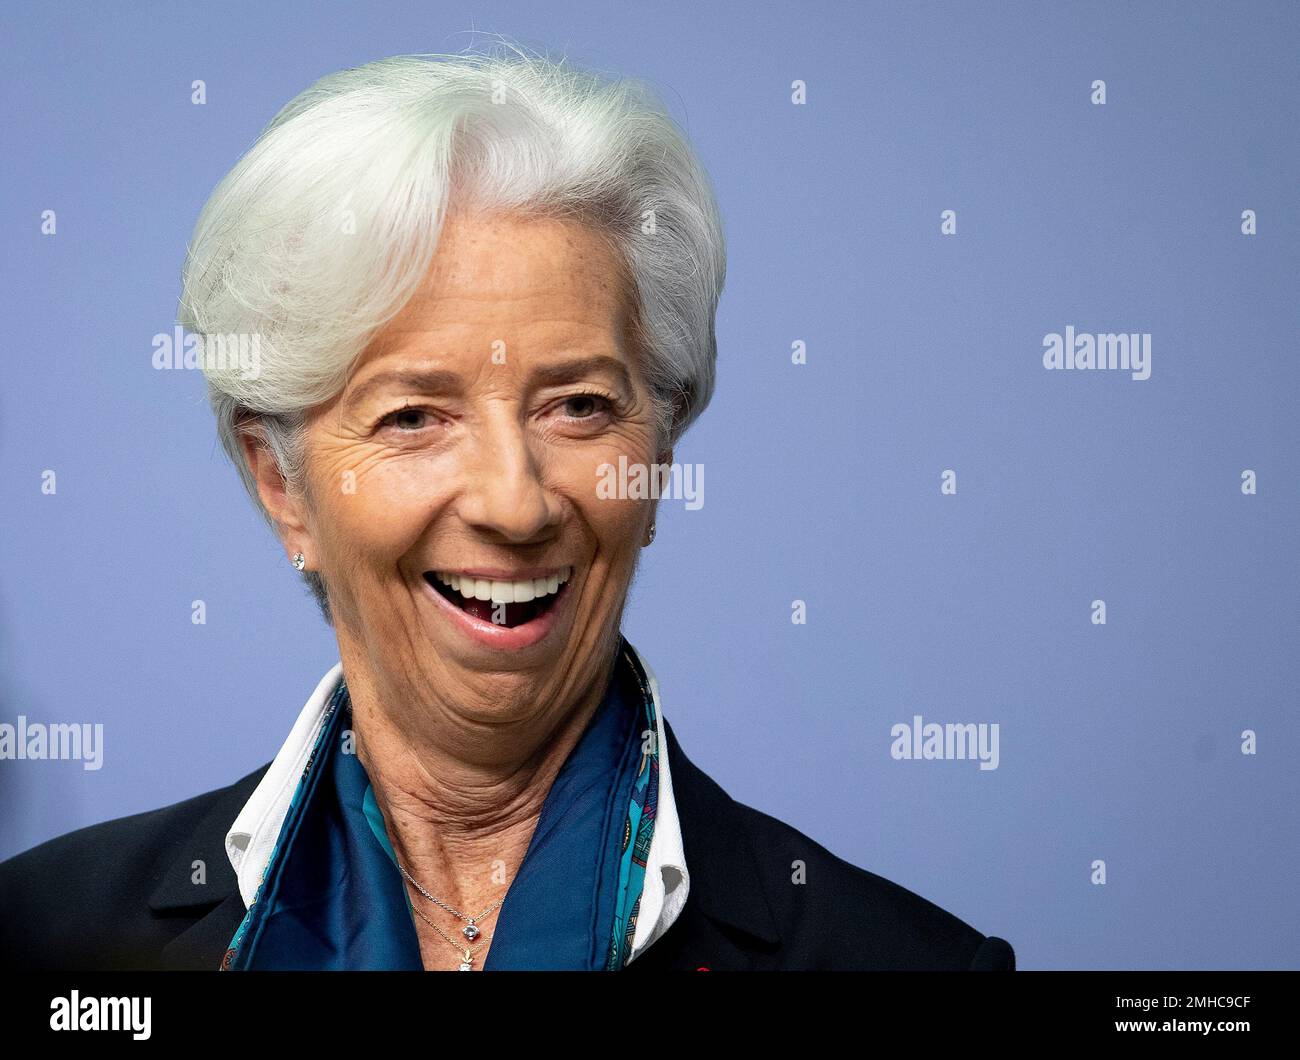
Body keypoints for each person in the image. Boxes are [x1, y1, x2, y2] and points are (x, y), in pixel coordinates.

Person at [0, 46, 1014, 972]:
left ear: (656, 455)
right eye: (414, 415)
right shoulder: (41, 935)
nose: (514, 501)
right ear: (281, 485)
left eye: (578, 405)